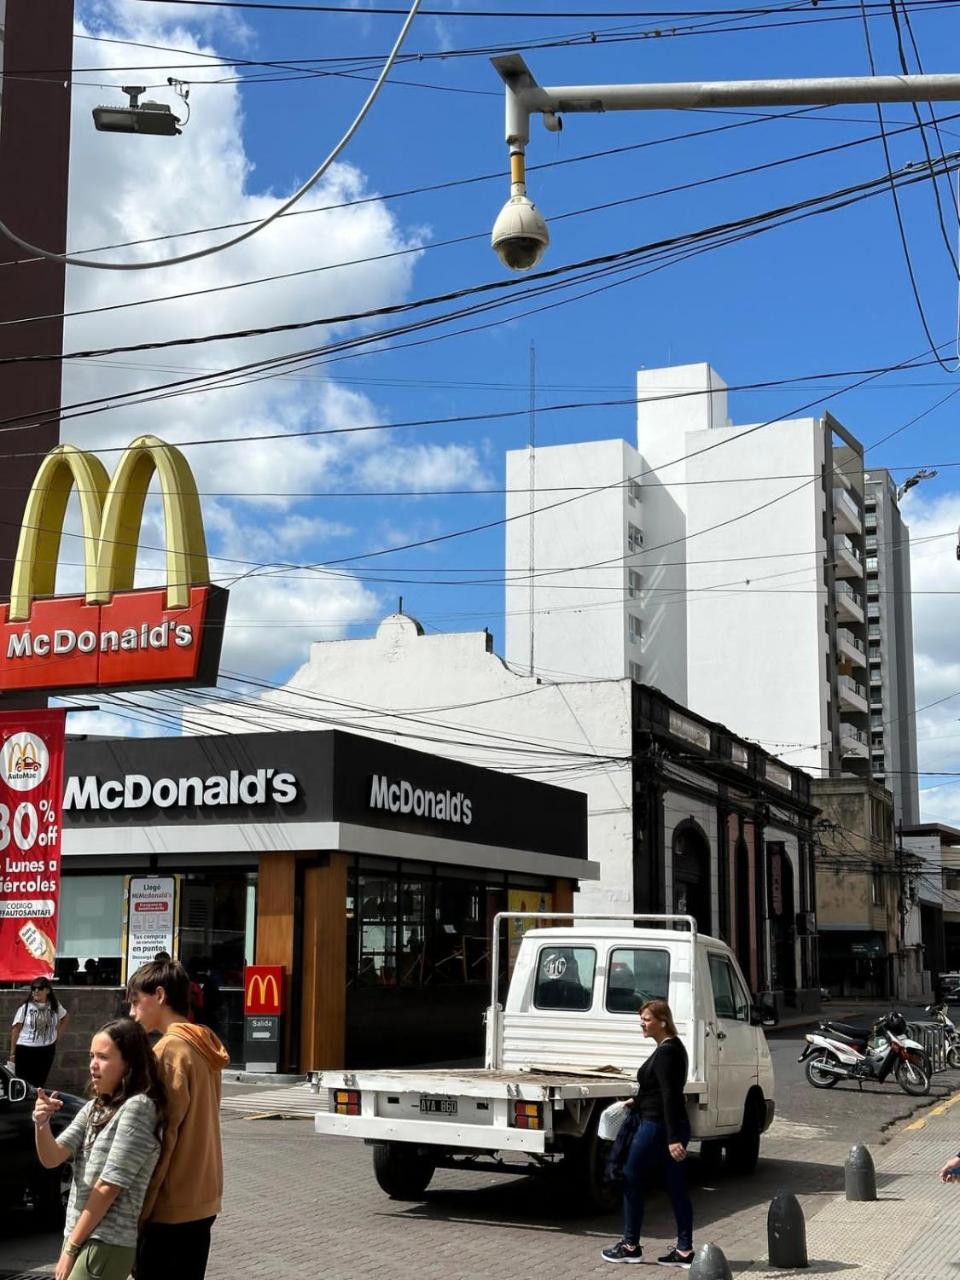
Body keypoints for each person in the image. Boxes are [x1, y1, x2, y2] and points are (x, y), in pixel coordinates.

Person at [31, 1017, 166, 1280]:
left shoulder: (138, 1108)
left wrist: (70, 1249)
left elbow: (109, 1186)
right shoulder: (96, 1106)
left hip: (105, 1242)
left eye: (103, 1057)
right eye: (91, 1056)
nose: (93, 1065)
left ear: (129, 1063)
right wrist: (41, 1122)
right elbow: (52, 1157)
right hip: (83, 1238)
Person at [127, 955, 229, 1280]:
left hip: (169, 1207)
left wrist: (139, 1213)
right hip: (203, 1199)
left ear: (159, 995)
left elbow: (162, 1139)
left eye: (135, 1002)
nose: (131, 1012)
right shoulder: (202, 1043)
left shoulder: (169, 1052)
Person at [602, 999, 694, 1267]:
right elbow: (656, 1090)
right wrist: (634, 1102)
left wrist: (673, 1138)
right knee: (675, 1186)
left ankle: (630, 1245)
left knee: (631, 1177)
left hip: (657, 1126)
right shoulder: (670, 1048)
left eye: (647, 1019)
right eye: (641, 1019)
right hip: (663, 1122)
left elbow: (670, 1094)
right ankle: (685, 1251)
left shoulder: (667, 1052)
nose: (642, 1023)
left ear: (663, 1021)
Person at [9, 977, 69, 1087]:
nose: (36, 991)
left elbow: (65, 1017)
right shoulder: (25, 1007)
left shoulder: (54, 1005)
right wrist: (12, 1054)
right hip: (26, 1049)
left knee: (39, 1083)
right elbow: (15, 1029)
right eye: (33, 988)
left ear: (47, 990)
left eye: (40, 988)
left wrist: (57, 1036)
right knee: (23, 1083)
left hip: (46, 1050)